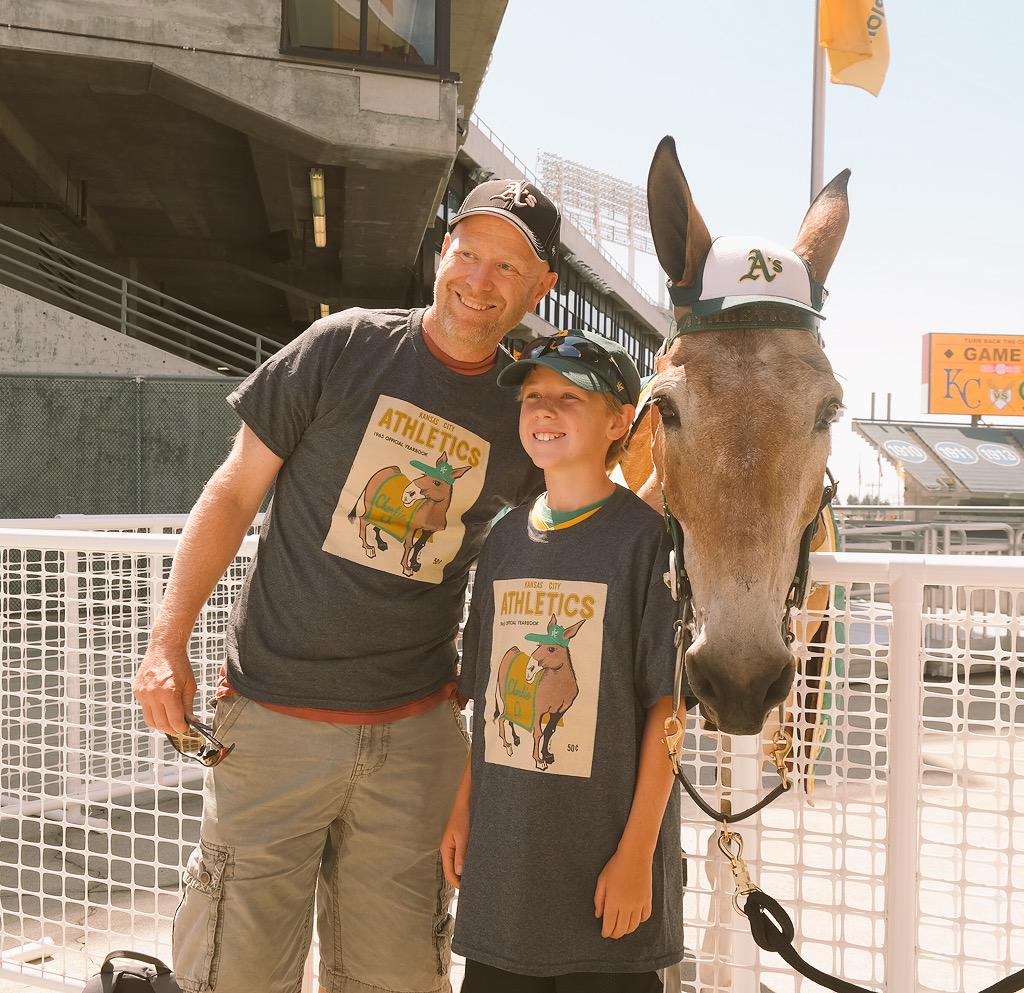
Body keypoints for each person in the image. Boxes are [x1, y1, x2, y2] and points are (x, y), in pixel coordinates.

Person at [132, 179, 560, 993]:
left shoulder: (526, 411)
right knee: (234, 977)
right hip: (274, 726)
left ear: (540, 288)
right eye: (468, 253)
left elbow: (574, 525)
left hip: (416, 741)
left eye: (508, 267)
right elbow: (231, 492)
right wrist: (166, 639)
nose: (479, 279)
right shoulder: (344, 346)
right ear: (442, 253)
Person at [441, 331, 686, 992]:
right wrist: (465, 807)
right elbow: (493, 703)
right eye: (532, 397)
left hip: (604, 881)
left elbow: (669, 707)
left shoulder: (646, 541)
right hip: (506, 880)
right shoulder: (503, 538)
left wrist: (637, 853)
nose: (544, 410)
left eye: (567, 397)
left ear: (617, 421)